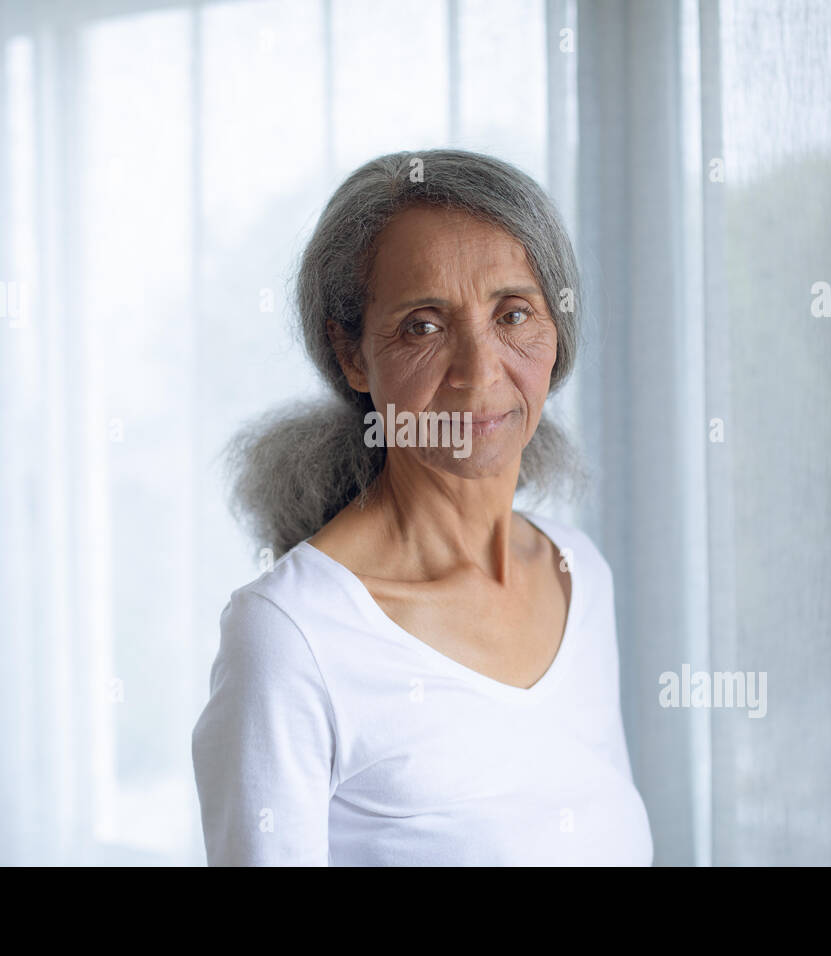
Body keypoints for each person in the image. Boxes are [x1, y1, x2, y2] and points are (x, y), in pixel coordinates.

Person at [191, 148, 654, 866]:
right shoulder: (287, 639)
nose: (478, 372)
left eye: (514, 314)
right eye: (424, 326)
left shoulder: (578, 573)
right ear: (351, 354)